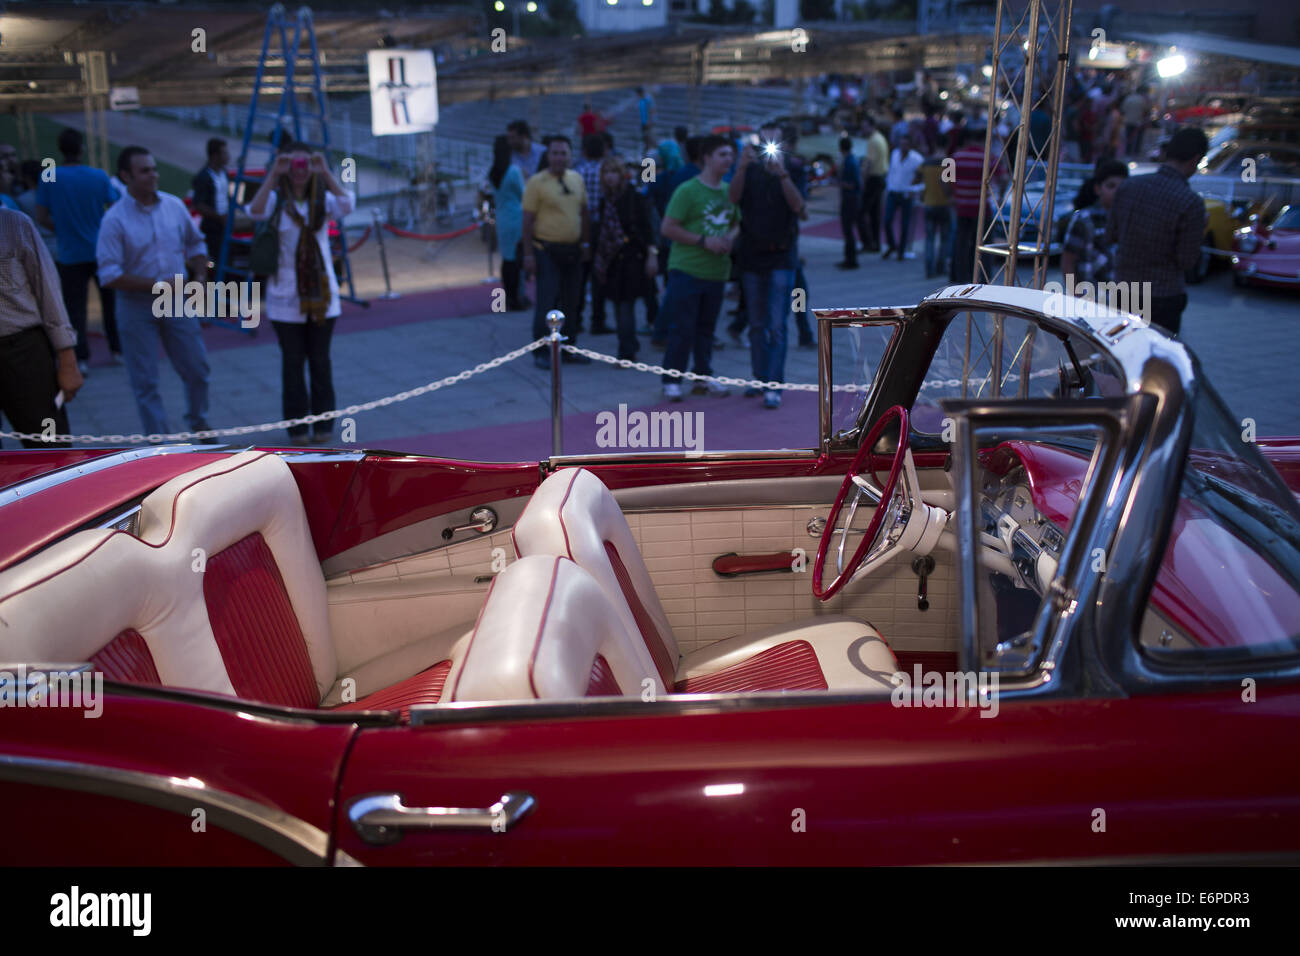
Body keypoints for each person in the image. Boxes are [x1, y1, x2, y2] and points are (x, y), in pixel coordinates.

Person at [97, 146, 214, 440]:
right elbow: (108, 274)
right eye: (144, 170)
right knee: (145, 381)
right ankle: (158, 442)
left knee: (197, 369)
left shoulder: (174, 206)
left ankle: (199, 423)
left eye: (154, 168)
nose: (153, 175)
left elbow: (197, 244)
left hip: (177, 302)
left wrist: (200, 276)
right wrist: (158, 287)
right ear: (126, 176)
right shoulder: (115, 220)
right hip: (136, 307)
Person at [246, 141, 356, 445]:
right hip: (285, 299)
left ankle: (323, 423)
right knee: (292, 364)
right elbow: (253, 211)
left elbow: (348, 205)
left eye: (304, 165)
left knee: (320, 361)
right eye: (293, 165)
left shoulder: (323, 200)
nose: (299, 171)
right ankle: (297, 427)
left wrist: (325, 172)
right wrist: (272, 173)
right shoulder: (276, 202)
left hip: (322, 298)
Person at [730, 124, 806, 409]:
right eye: (764, 142)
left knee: (776, 323)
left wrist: (783, 173)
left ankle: (774, 383)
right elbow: (733, 198)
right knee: (756, 324)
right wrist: (740, 168)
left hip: (781, 257)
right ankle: (760, 377)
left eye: (774, 141)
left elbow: (799, 206)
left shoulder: (795, 168)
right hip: (751, 256)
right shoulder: (748, 170)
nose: (769, 147)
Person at [658, 135, 740, 402]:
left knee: (707, 328)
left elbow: (738, 222)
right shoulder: (687, 190)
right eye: (723, 155)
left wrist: (729, 237)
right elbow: (667, 228)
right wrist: (704, 241)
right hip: (687, 269)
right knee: (682, 327)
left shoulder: (730, 192)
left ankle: (702, 376)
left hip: (716, 271)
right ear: (707, 158)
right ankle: (671, 379)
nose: (729, 160)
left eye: (731, 155)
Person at [1108, 128, 1209, 337]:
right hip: (1163, 297)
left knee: (1122, 356)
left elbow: (1111, 235)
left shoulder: (1129, 187)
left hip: (1125, 289)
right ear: (1195, 159)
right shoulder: (1190, 202)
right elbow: (1186, 260)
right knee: (1155, 363)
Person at [36, 128, 122, 373]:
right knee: (111, 303)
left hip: (69, 253)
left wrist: (63, 228)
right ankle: (117, 350)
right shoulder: (98, 176)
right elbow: (116, 209)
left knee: (75, 308)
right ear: (81, 148)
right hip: (101, 251)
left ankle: (81, 357)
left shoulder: (50, 176)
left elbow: (42, 216)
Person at [0, 207, 83, 448]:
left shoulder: (14, 224)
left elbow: (48, 292)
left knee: (50, 449)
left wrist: (68, 361)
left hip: (22, 352)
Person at [521, 135, 591, 370]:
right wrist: (529, 254)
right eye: (555, 153)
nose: (560, 158)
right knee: (547, 301)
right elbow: (528, 221)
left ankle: (569, 348)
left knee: (572, 301)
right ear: (548, 156)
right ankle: (541, 351)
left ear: (571, 156)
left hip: (572, 250)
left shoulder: (577, 179)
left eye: (564, 153)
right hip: (546, 251)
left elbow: (584, 213)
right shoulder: (536, 182)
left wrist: (586, 244)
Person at [592, 156, 657, 361]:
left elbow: (647, 228)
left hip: (631, 258)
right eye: (606, 172)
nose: (610, 177)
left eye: (614, 172)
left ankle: (627, 351)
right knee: (619, 304)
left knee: (625, 305)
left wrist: (652, 255)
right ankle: (629, 344)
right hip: (612, 260)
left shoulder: (633, 197)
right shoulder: (605, 200)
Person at [1061, 159, 1128, 286]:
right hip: (1089, 296)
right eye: (1111, 186)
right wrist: (1074, 293)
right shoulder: (1084, 218)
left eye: (1122, 187)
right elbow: (1068, 261)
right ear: (1098, 189)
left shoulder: (1128, 219)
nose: (1117, 192)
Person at [485, 134, 528, 312]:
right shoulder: (513, 171)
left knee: (507, 260)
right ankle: (517, 297)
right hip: (516, 217)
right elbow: (523, 194)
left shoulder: (492, 173)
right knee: (516, 262)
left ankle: (508, 297)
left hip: (502, 218)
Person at [573, 134, 609, 334]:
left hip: (580, 227)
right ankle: (598, 320)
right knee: (599, 276)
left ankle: (576, 318)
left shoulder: (577, 172)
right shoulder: (606, 172)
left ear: (584, 151)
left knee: (580, 275)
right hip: (601, 227)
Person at [881, 133, 924, 260]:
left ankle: (901, 249)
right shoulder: (895, 154)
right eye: (901, 144)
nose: (903, 146)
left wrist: (915, 190)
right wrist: (887, 188)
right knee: (887, 220)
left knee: (905, 224)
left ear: (910, 145)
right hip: (893, 192)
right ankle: (892, 245)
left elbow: (922, 179)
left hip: (906, 194)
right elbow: (891, 172)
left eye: (905, 144)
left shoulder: (917, 159)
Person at [191, 137, 231, 264]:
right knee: (215, 260)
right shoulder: (203, 177)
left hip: (225, 225)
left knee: (227, 258)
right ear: (215, 156)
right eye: (224, 153)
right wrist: (219, 217)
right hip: (212, 228)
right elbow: (198, 204)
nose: (228, 156)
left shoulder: (224, 173)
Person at [919, 146, 953, 279]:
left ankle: (929, 269)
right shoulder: (949, 163)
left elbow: (918, 179)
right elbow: (948, 183)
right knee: (945, 238)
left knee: (929, 239)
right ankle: (941, 266)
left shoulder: (926, 163)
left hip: (929, 203)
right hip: (944, 204)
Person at [16, 160, 58, 259]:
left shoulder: (21, 200)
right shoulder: (56, 195)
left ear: (25, 177)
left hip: (39, 248)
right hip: (60, 246)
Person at [858, 115, 888, 253]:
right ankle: (875, 243)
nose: (863, 129)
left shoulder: (873, 141)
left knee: (861, 213)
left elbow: (868, 164)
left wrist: (862, 181)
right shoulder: (880, 138)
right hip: (881, 177)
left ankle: (868, 243)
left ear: (871, 126)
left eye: (864, 126)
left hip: (874, 179)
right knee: (874, 213)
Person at [835, 135, 861, 270]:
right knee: (848, 230)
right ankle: (849, 257)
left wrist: (842, 184)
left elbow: (855, 184)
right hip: (850, 199)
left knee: (848, 230)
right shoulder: (850, 160)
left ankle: (851, 259)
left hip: (850, 200)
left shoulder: (850, 162)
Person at [1120, 85, 1148, 159]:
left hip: (1128, 121)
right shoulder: (1142, 100)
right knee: (1138, 138)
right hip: (1138, 122)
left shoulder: (1128, 98)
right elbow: (1145, 111)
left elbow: (1123, 110)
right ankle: (1136, 152)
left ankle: (1128, 152)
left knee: (1129, 137)